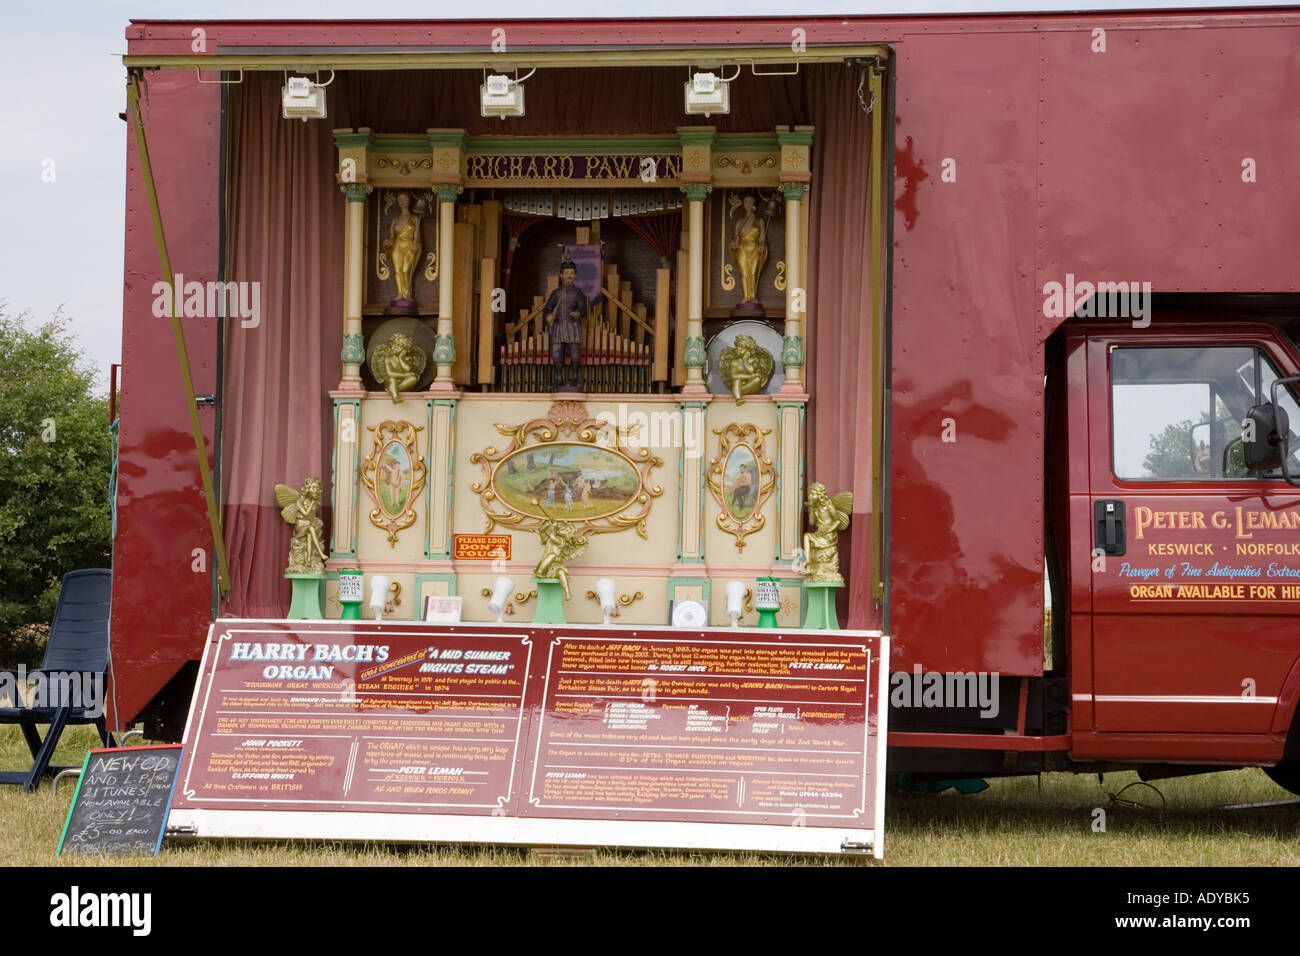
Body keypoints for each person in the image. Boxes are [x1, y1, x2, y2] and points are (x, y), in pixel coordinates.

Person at [542, 260, 589, 389]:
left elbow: (584, 310)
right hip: (557, 327)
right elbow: (547, 309)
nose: (569, 275)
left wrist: (578, 313)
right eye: (566, 273)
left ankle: (574, 378)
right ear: (561, 275)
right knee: (556, 353)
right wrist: (549, 316)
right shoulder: (556, 293)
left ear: (575, 275)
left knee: (575, 353)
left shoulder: (578, 292)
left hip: (573, 327)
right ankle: (558, 378)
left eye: (571, 273)